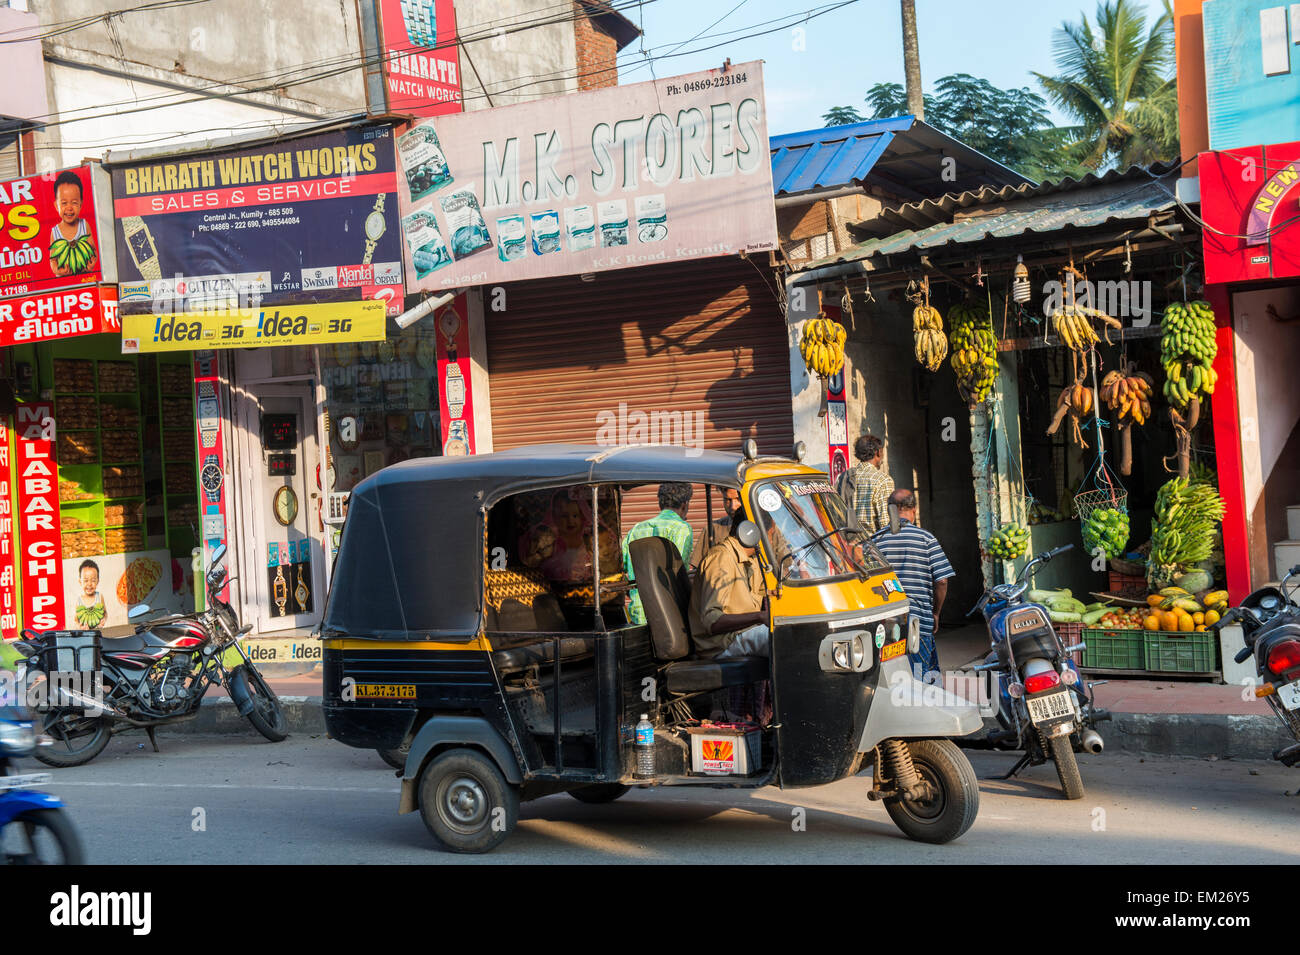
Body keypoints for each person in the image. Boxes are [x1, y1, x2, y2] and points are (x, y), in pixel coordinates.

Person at [870, 488, 954, 679]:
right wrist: (936, 613)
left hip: (887, 625)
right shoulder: (926, 539)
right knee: (922, 679)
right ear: (914, 509)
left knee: (892, 679)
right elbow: (942, 580)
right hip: (919, 621)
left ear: (890, 510)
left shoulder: (875, 541)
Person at [689, 518, 769, 659]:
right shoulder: (721, 558)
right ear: (750, 533)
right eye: (769, 536)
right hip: (721, 643)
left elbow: (759, 596)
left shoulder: (753, 560)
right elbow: (712, 620)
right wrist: (759, 616)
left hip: (743, 632)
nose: (771, 543)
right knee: (784, 637)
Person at [622, 482, 693, 625]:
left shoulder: (636, 529)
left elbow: (620, 570)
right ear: (685, 505)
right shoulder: (682, 528)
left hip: (638, 614)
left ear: (661, 503)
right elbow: (678, 572)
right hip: (669, 616)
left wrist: (634, 592)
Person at [844, 433, 894, 534]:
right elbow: (886, 523)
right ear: (878, 452)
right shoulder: (883, 480)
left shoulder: (845, 477)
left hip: (848, 541)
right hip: (873, 541)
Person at [49, 171, 96, 277]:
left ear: (81, 204)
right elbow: (53, 260)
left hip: (84, 277)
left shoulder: (84, 225)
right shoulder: (55, 232)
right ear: (56, 206)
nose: (69, 208)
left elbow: (93, 250)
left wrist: (92, 262)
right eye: (64, 203)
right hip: (65, 281)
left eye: (74, 203)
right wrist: (58, 271)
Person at [73, 559, 107, 629]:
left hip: (99, 632)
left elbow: (105, 612)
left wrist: (103, 620)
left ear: (98, 581)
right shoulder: (79, 600)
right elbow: (76, 620)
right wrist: (79, 627)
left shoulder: (99, 596)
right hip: (85, 633)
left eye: (93, 580)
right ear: (80, 582)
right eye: (86, 580)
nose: (89, 584)